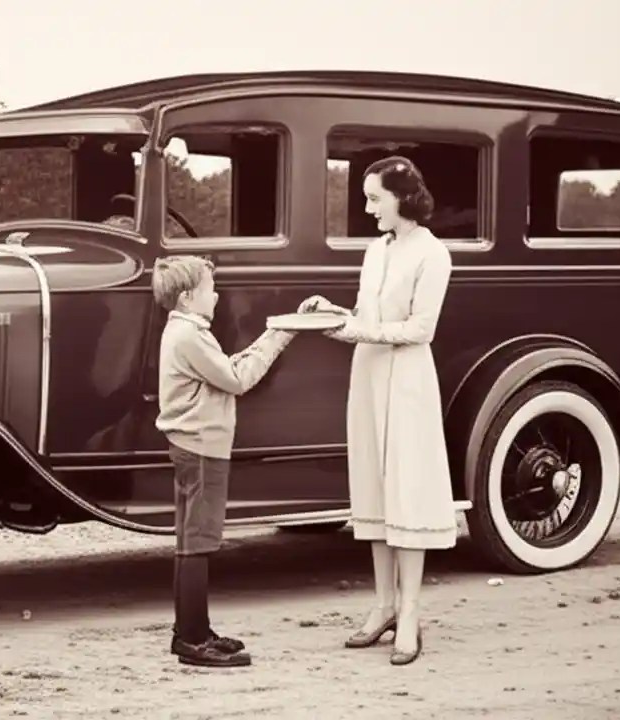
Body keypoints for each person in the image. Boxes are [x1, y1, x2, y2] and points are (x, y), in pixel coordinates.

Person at [300, 155, 458, 665]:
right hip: (368, 375)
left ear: (404, 197)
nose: (367, 209)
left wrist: (360, 330)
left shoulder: (433, 254)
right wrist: (332, 313)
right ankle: (383, 606)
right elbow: (367, 317)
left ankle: (409, 613)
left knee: (407, 490)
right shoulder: (374, 250)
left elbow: (420, 329)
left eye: (375, 199)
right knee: (373, 488)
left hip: (408, 380)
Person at [152, 254, 296, 668]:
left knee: (192, 540)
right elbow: (238, 379)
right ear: (187, 297)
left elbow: (226, 369)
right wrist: (280, 335)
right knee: (198, 542)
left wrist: (275, 330)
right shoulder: (189, 336)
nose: (216, 296)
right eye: (210, 289)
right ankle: (191, 639)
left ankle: (197, 630)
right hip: (201, 447)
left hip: (193, 446)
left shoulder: (187, 331)